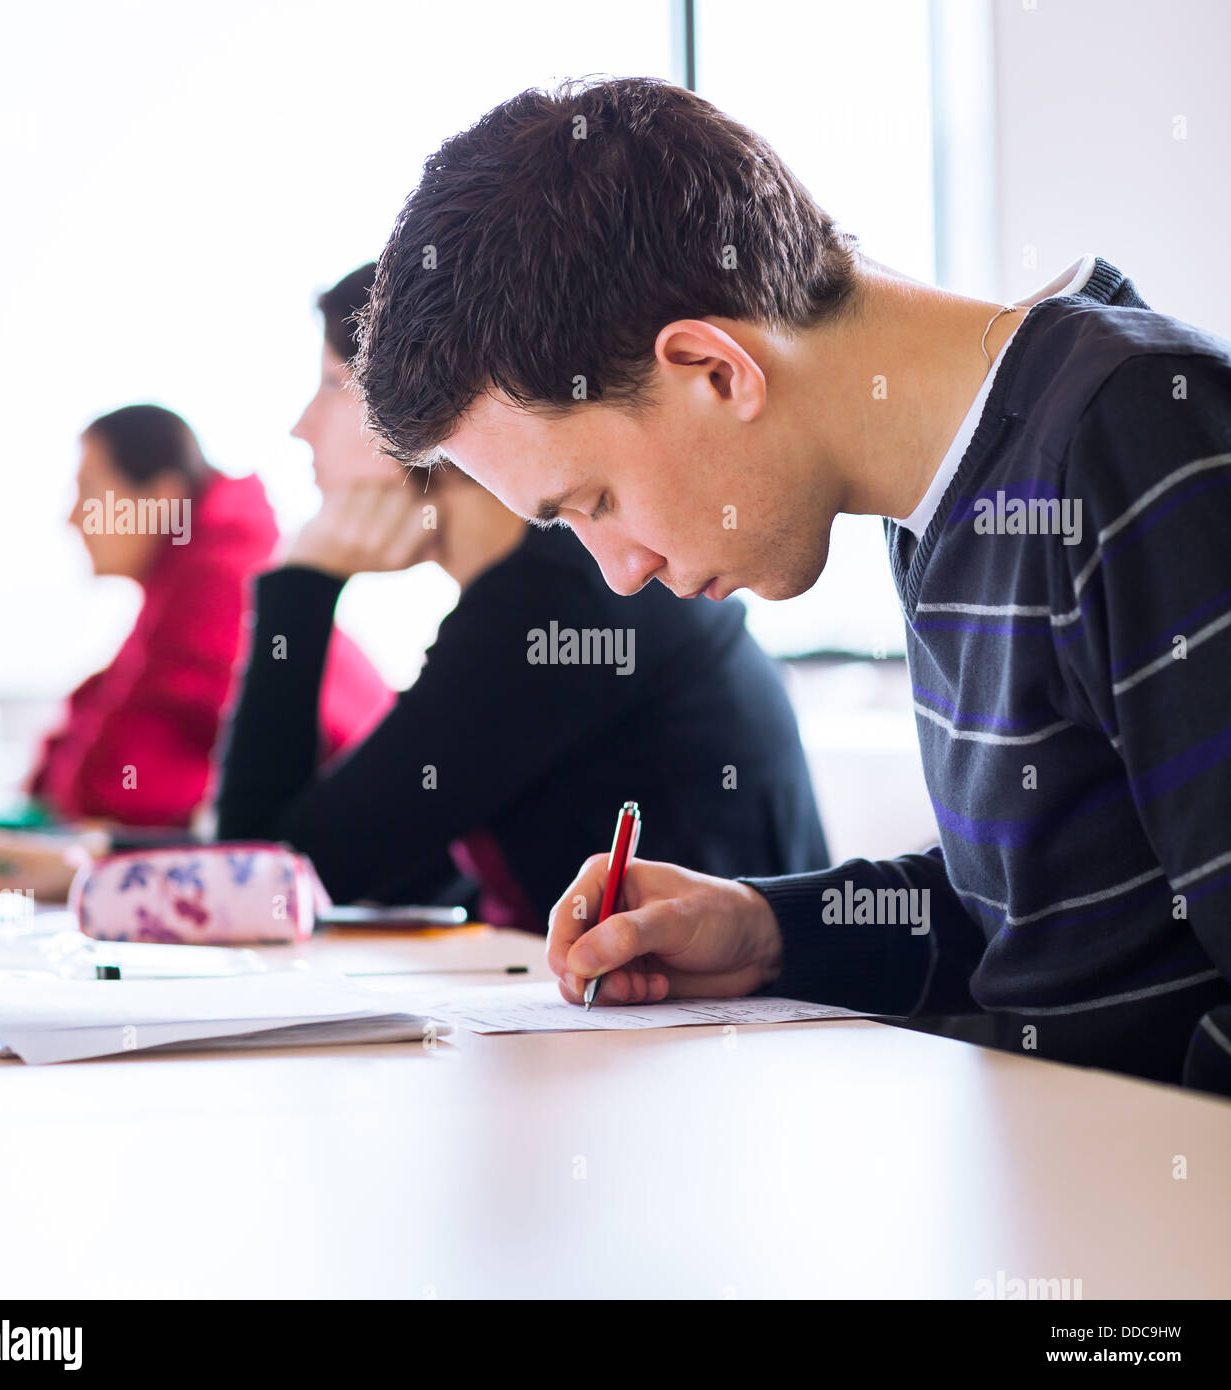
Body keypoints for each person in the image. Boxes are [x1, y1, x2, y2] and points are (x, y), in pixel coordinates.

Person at [354, 78, 1231, 1097]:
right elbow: (1054, 920)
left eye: (592, 500)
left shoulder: (1136, 439)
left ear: (715, 371)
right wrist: (763, 930)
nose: (622, 570)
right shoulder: (954, 502)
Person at [215, 262, 828, 930]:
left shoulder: (556, 605)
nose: (301, 427)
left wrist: (300, 587)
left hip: (740, 1025)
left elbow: (260, 879)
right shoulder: (542, 585)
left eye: (334, 385)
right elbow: (386, 851)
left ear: (421, 408)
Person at [29, 404, 394, 828]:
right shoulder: (183, 582)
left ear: (163, 497)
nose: (72, 517)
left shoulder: (215, 584)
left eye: (89, 490)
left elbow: (109, 789)